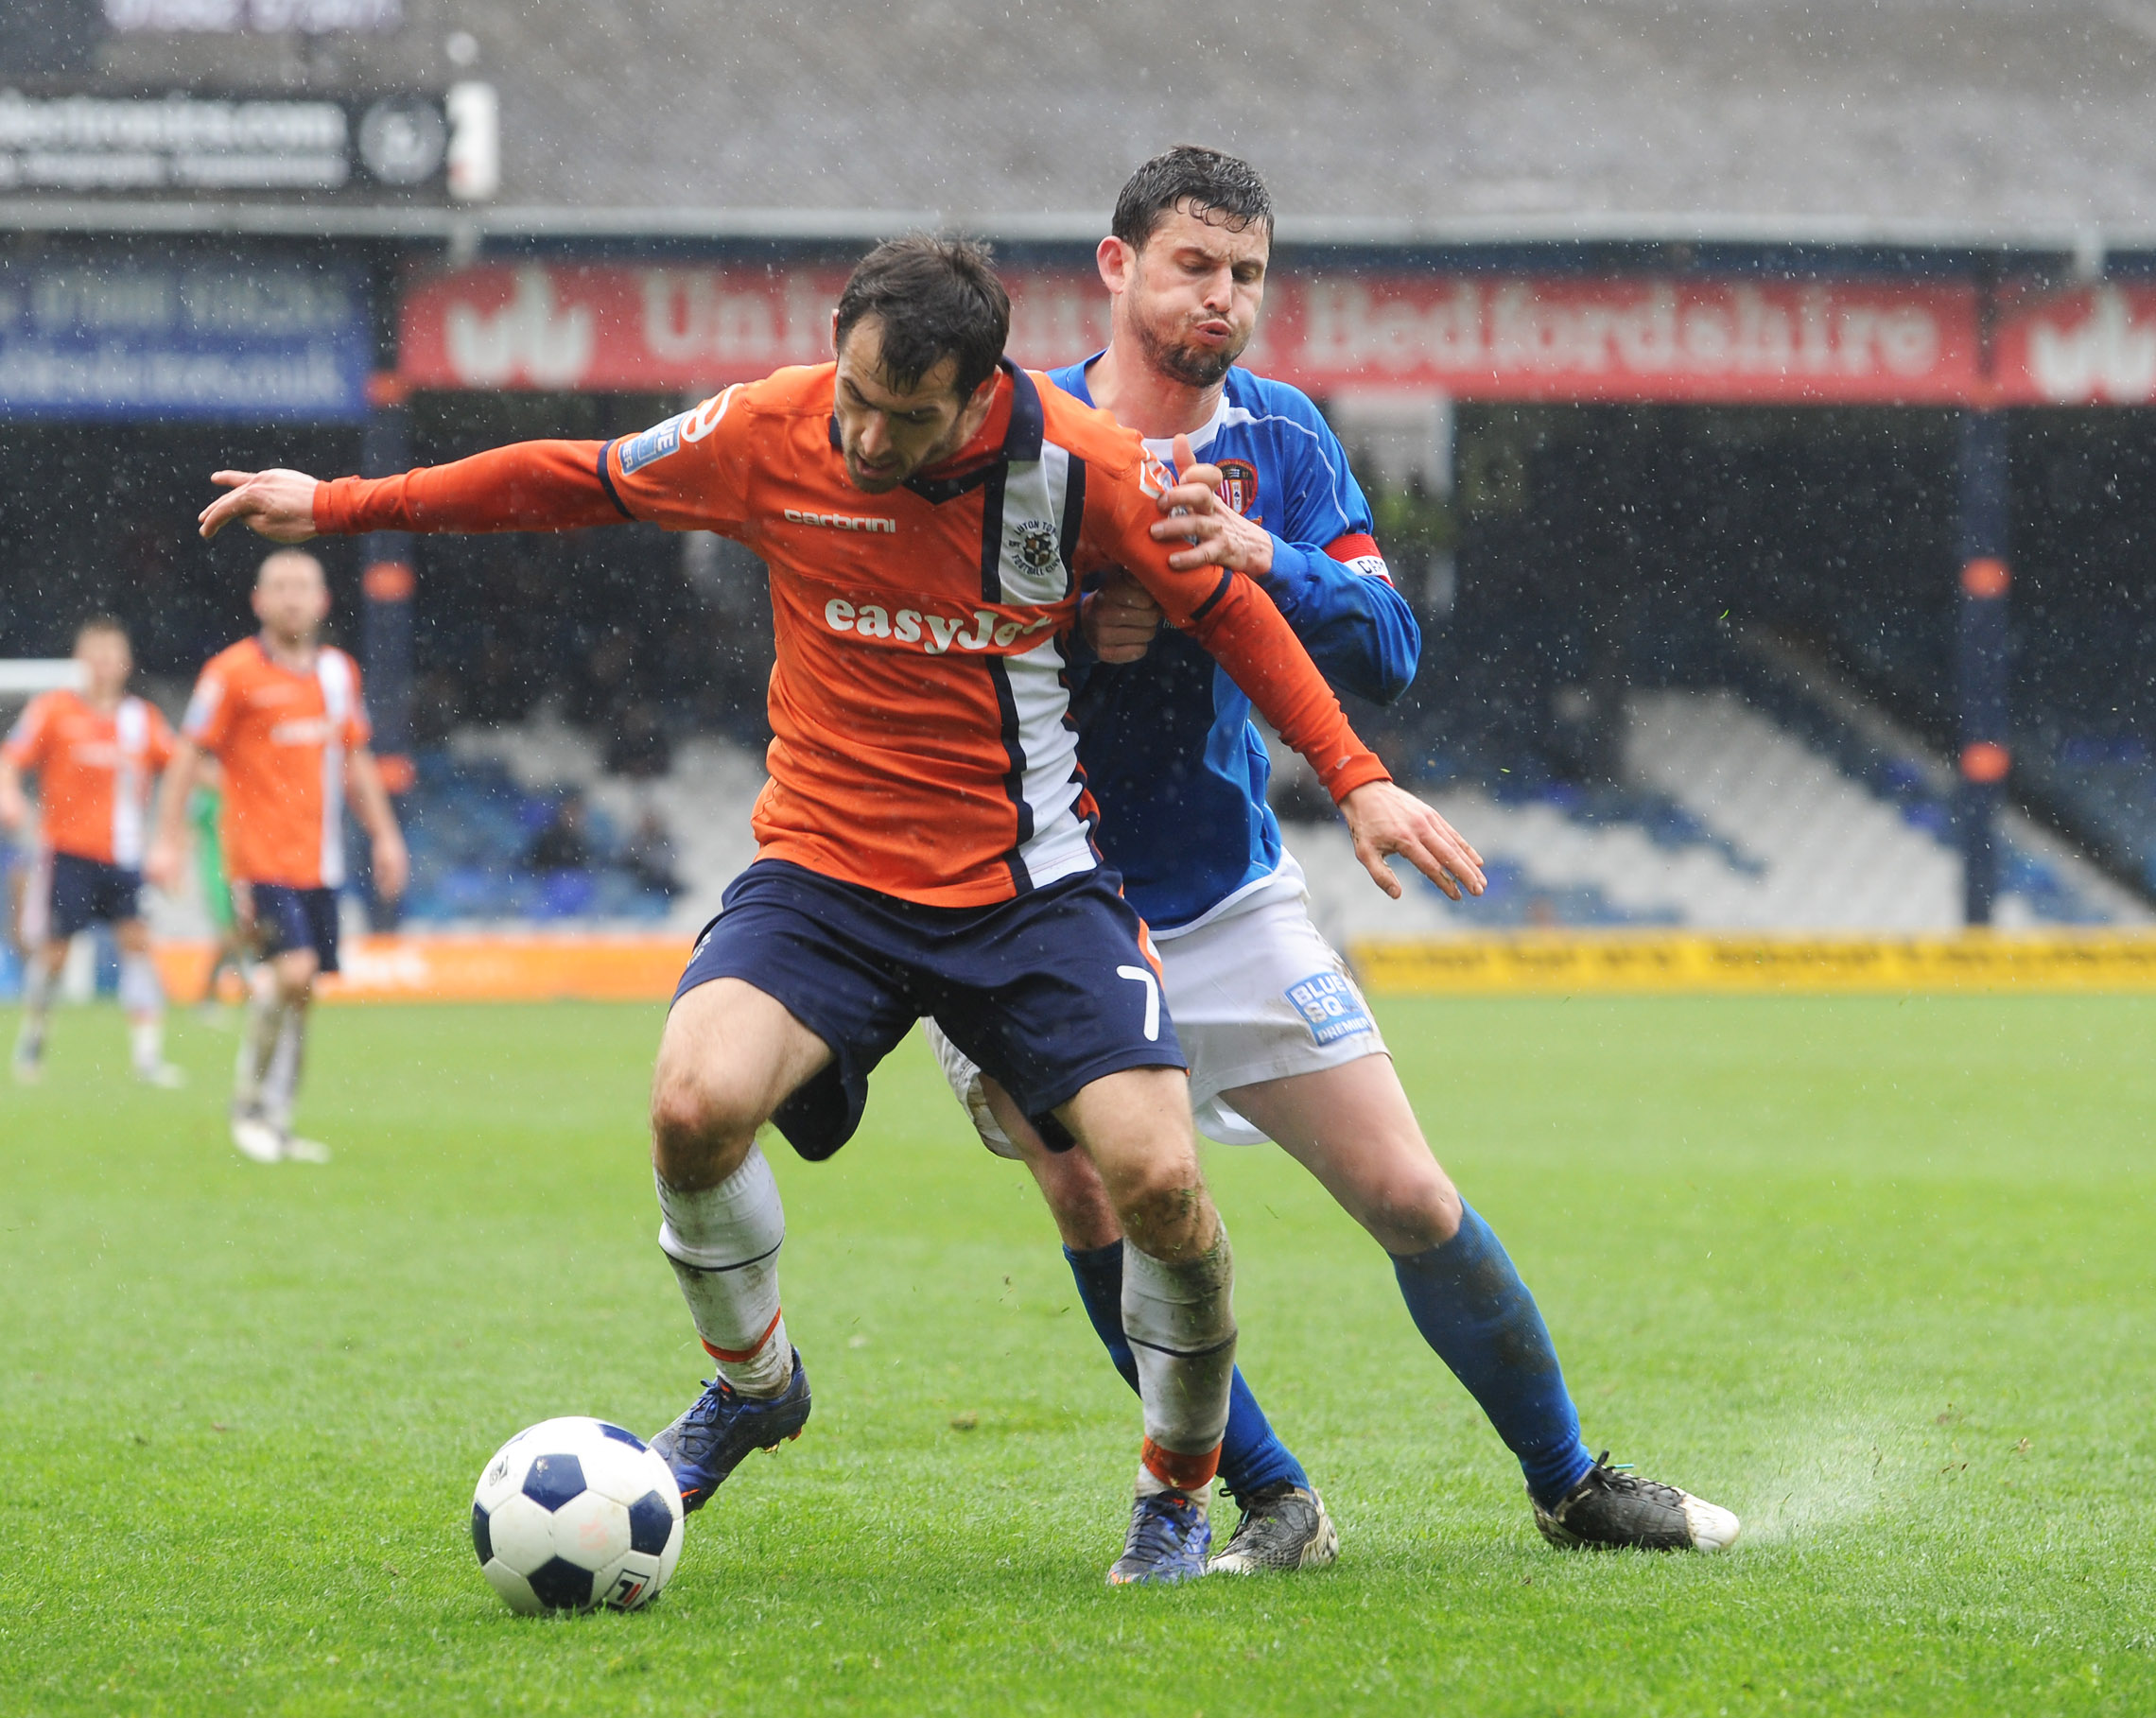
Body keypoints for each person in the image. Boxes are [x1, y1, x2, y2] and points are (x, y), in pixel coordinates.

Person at [189, 234, 1482, 1584]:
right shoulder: (771, 426)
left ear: (980, 393)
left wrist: (1361, 781)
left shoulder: (1086, 466)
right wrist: (338, 503)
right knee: (691, 1108)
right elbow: (570, 478)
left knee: (1158, 1182)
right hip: (825, 877)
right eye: (855, 393)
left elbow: (1236, 615)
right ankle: (755, 1383)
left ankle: (1178, 1486)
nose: (864, 434)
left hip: (1029, 891)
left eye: (904, 416)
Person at [930, 148, 1740, 1565]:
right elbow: (940, 642)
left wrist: (1250, 559)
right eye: (1194, 264)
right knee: (1101, 1194)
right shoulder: (1026, 433)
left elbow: (1387, 645)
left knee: (1413, 1194)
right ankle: (1270, 1498)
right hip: (1044, 904)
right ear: (1115, 266)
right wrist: (1086, 617)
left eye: (1247, 272)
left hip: (1233, 895)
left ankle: (1570, 1483)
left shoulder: (1286, 441)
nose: (1223, 297)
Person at [147, 551, 409, 1166]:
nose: (292, 598)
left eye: (304, 587)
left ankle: (280, 1119)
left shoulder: (341, 675)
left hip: (320, 863)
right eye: (280, 587)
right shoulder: (231, 674)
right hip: (257, 859)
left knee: (304, 990)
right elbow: (188, 755)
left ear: (323, 601)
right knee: (291, 971)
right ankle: (248, 1107)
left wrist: (387, 835)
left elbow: (357, 760)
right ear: (258, 600)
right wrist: (167, 838)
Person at [0, 615, 184, 1088]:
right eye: (94, 656)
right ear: (80, 660)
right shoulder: (53, 711)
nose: (103, 665)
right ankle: (32, 1039)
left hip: (125, 858)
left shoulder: (143, 720)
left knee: (138, 946)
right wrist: (7, 795)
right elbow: (7, 760)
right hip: (68, 856)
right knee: (55, 953)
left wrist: (181, 832)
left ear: (126, 663)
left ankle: (148, 1058)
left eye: (111, 656)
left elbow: (183, 767)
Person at [188, 754, 248, 1022]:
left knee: (238, 936)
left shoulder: (232, 796)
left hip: (237, 873)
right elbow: (187, 835)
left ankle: (222, 993)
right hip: (214, 874)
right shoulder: (203, 802)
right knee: (228, 936)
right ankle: (218, 993)